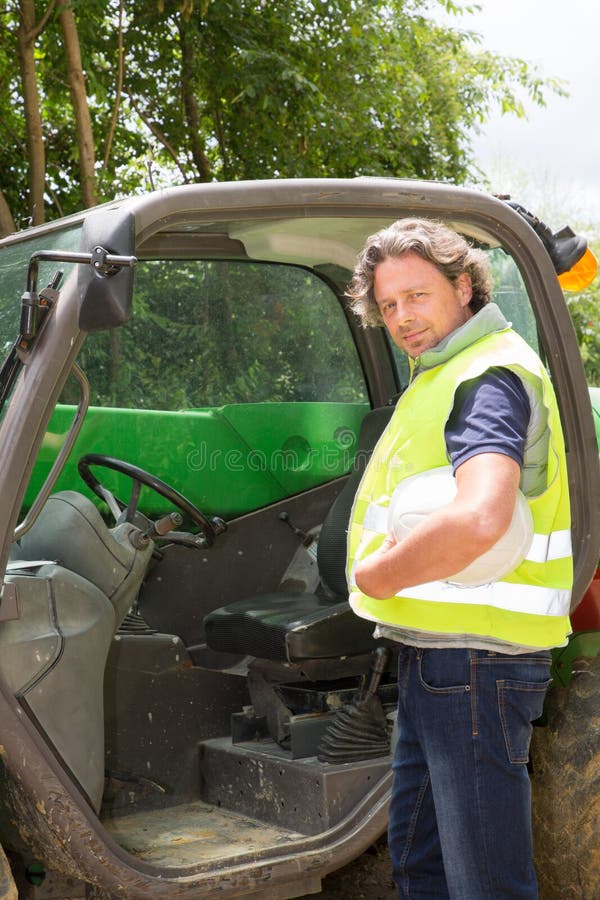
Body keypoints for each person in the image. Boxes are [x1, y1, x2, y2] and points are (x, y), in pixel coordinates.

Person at [345, 218, 573, 899]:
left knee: (483, 884)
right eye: (388, 306)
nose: (402, 317)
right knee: (422, 866)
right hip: (436, 656)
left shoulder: (487, 377)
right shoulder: (440, 375)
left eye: (417, 295)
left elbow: (480, 516)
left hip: (475, 665)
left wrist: (375, 575)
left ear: (464, 285)